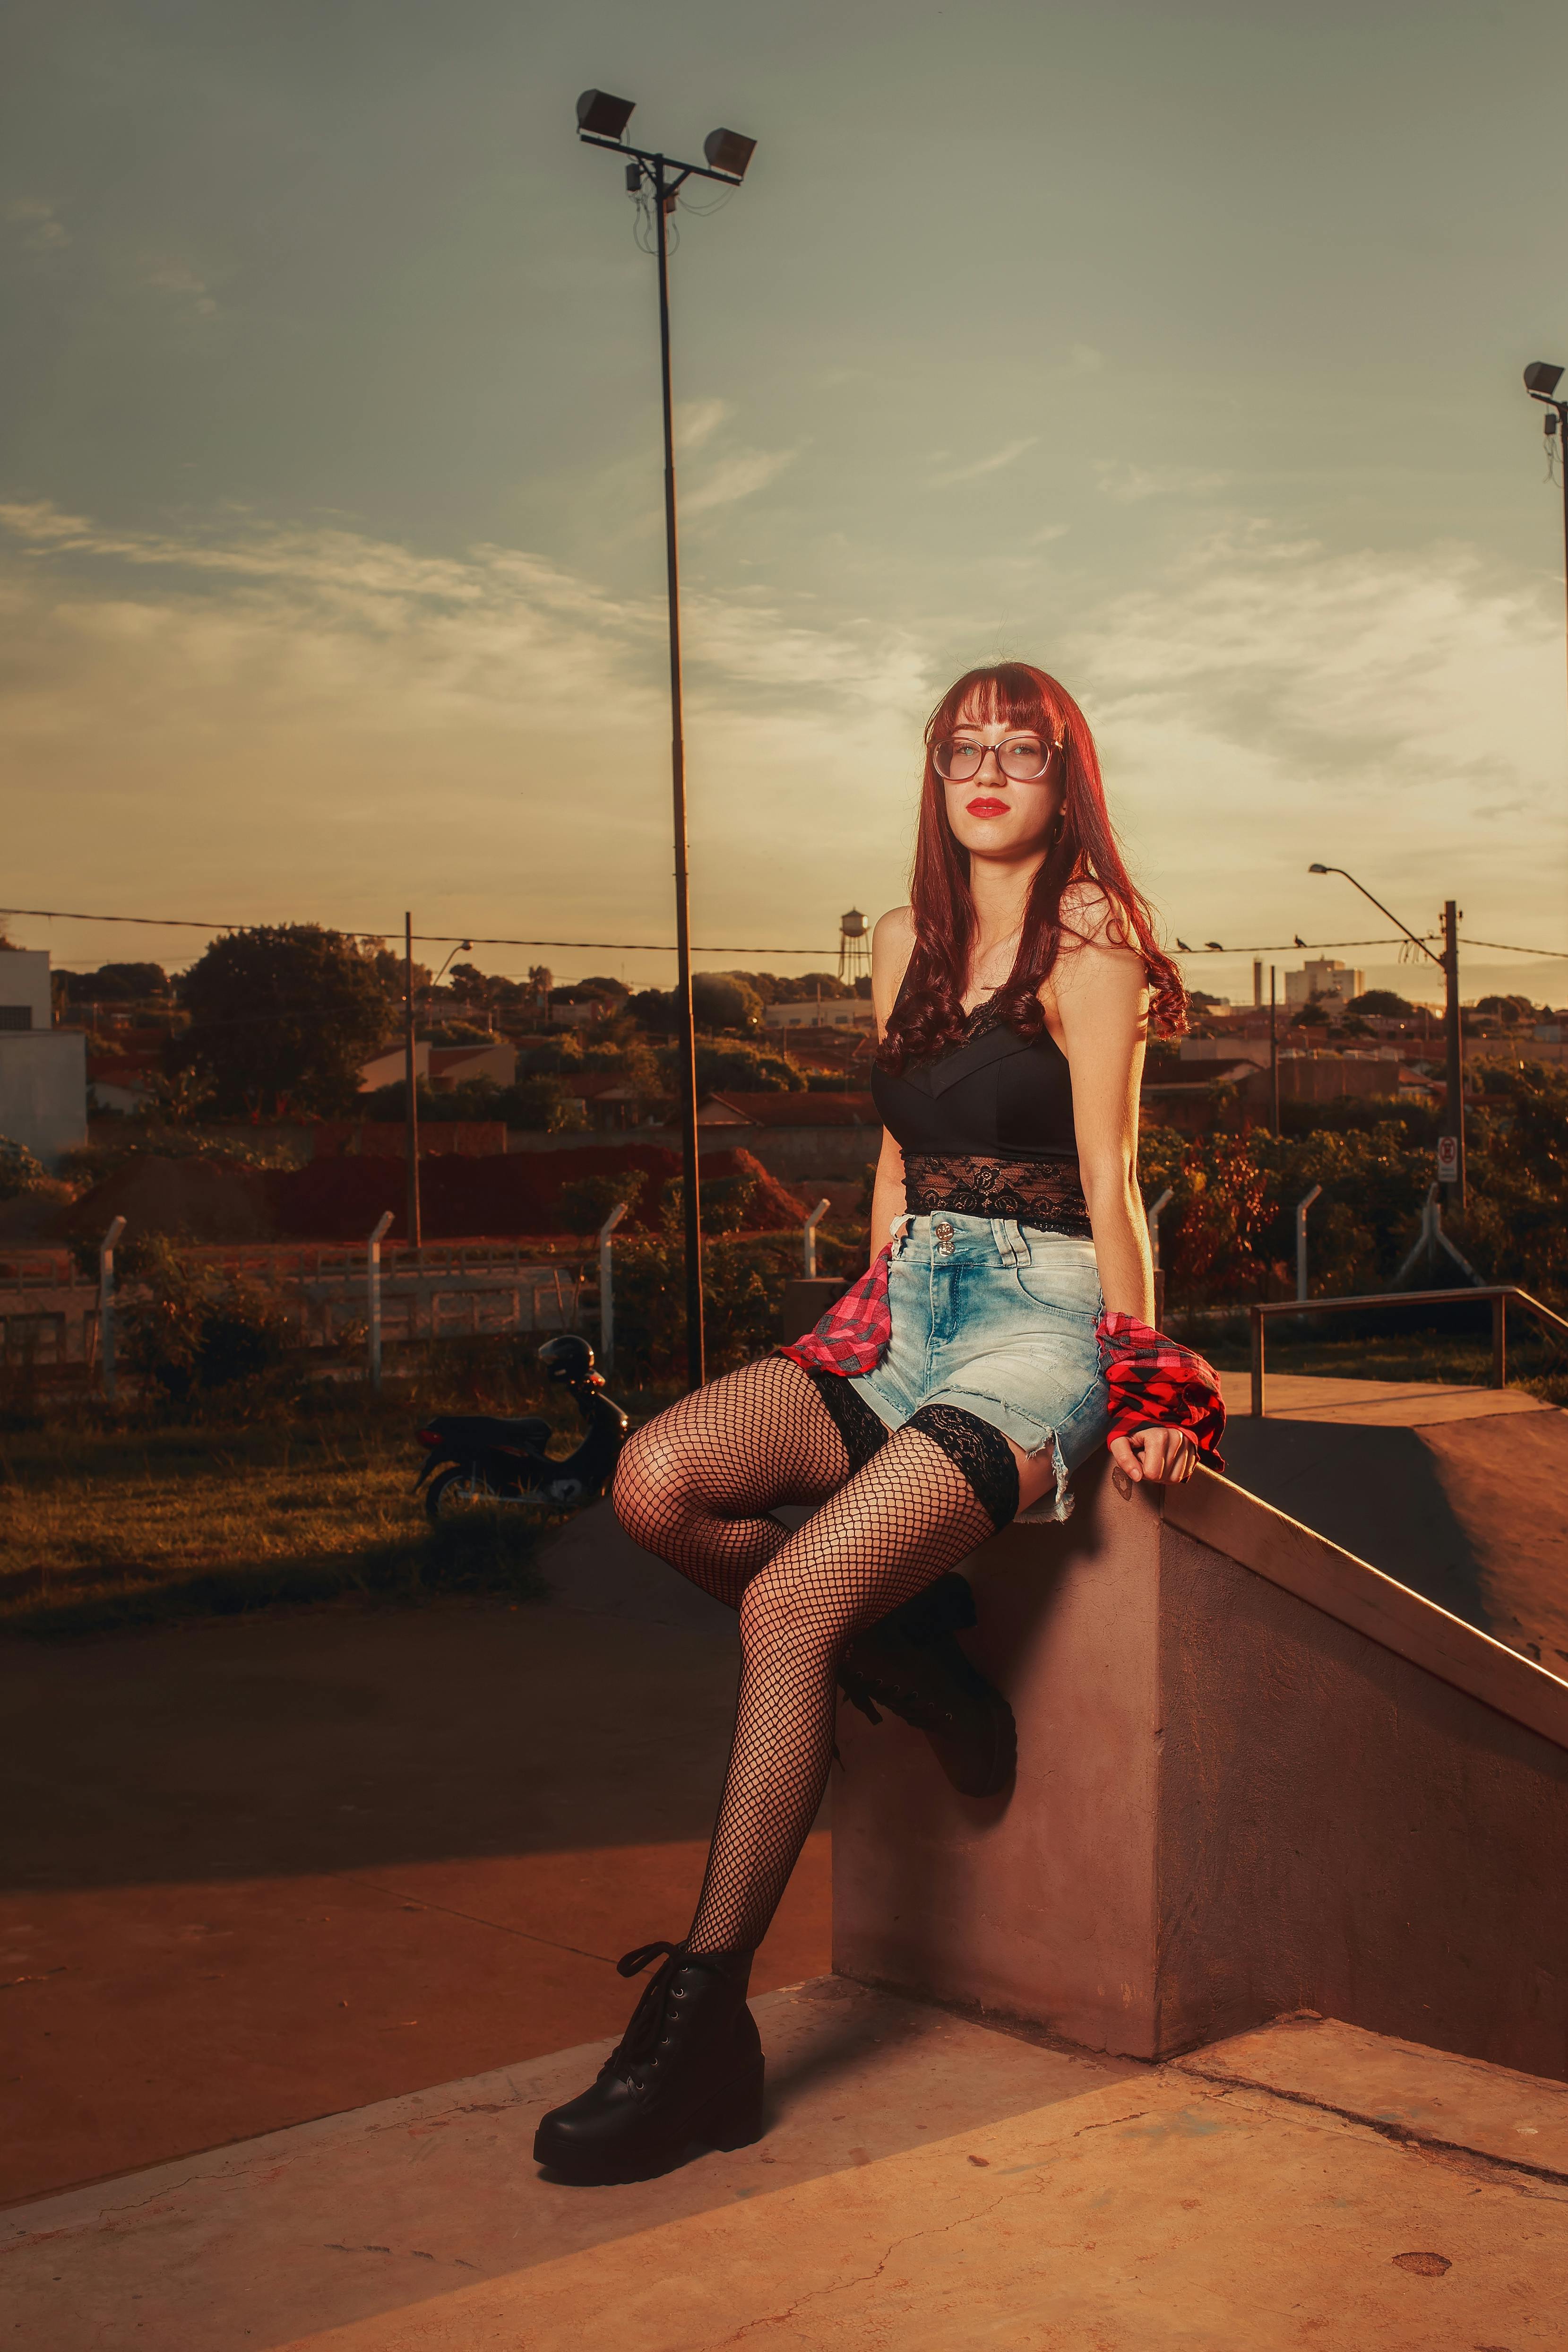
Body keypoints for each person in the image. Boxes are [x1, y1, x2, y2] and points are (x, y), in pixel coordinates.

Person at [534, 660, 1217, 2187]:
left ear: (1064, 779)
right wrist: (870, 1306)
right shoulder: (905, 937)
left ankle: (701, 2027)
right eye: (963, 747)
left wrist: (1146, 1372)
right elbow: (899, 1162)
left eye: (1020, 750)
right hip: (907, 1303)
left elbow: (1111, 1177)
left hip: (1040, 1323)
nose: (988, 772)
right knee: (655, 1479)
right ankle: (911, 1652)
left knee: (789, 1601)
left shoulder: (1094, 938)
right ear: (934, 770)